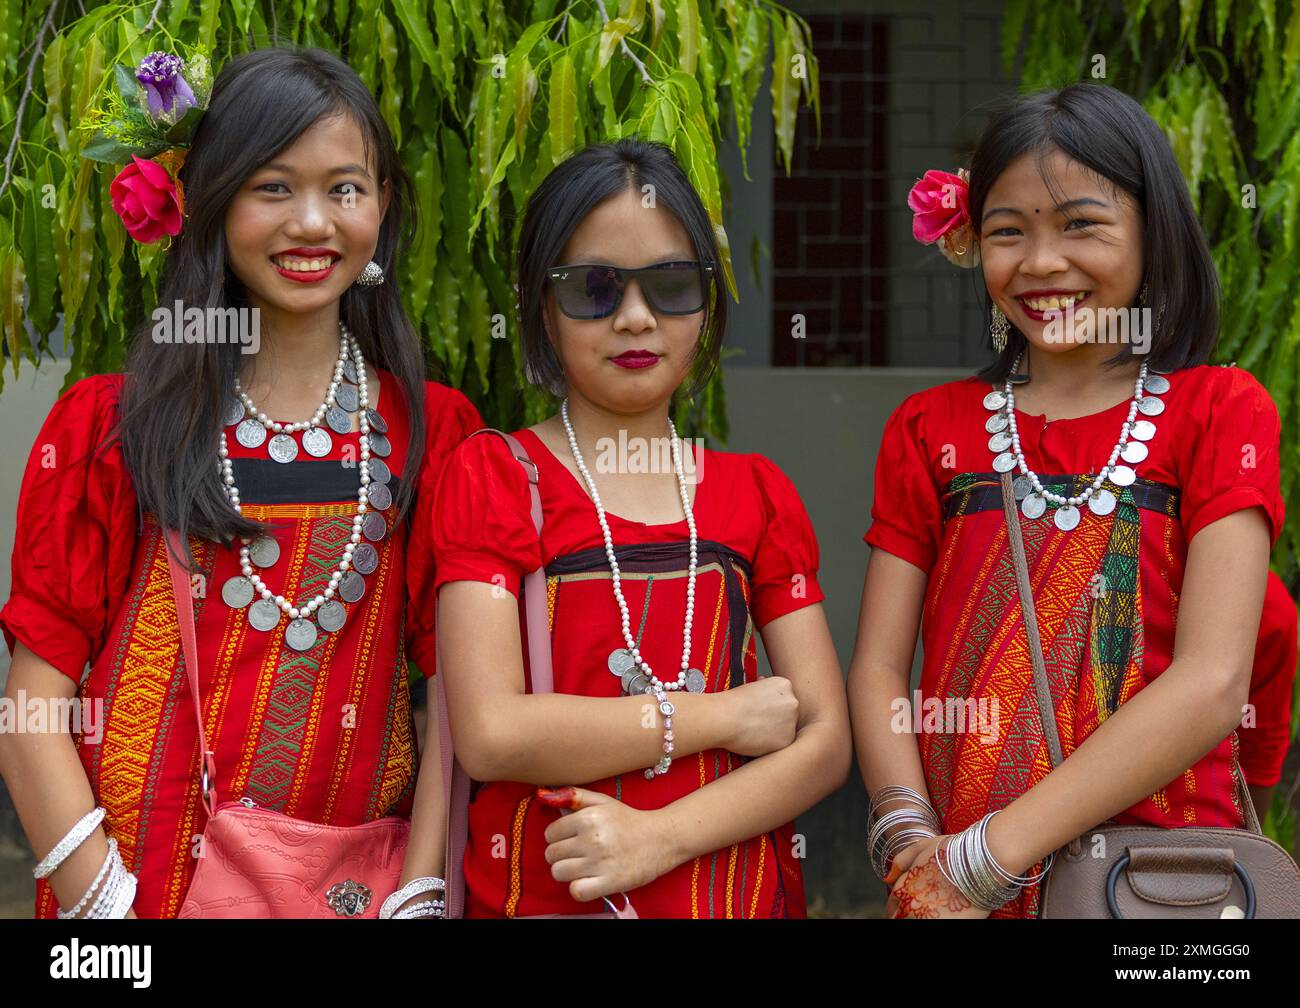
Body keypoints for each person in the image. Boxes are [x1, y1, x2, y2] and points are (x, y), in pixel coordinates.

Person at [0, 47, 480, 918]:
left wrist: (418, 890)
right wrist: (101, 900)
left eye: (345, 188)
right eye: (272, 187)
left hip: (352, 894)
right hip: (132, 892)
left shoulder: (431, 433)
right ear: (209, 203)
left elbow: (454, 696)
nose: (313, 221)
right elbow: (31, 709)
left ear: (381, 207)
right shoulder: (112, 426)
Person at [849, 82, 1284, 918]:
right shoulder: (927, 429)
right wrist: (910, 843)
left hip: (1162, 886)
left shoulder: (1220, 410)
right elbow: (877, 667)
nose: (1041, 263)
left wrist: (989, 856)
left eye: (1080, 224)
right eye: (1008, 231)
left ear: (1154, 232)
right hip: (955, 891)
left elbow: (1214, 679)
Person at [421, 138, 851, 918]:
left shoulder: (755, 493)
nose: (635, 317)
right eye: (593, 288)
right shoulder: (497, 478)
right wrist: (722, 715)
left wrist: (661, 836)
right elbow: (491, 732)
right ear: (540, 311)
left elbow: (824, 741)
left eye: (673, 286)